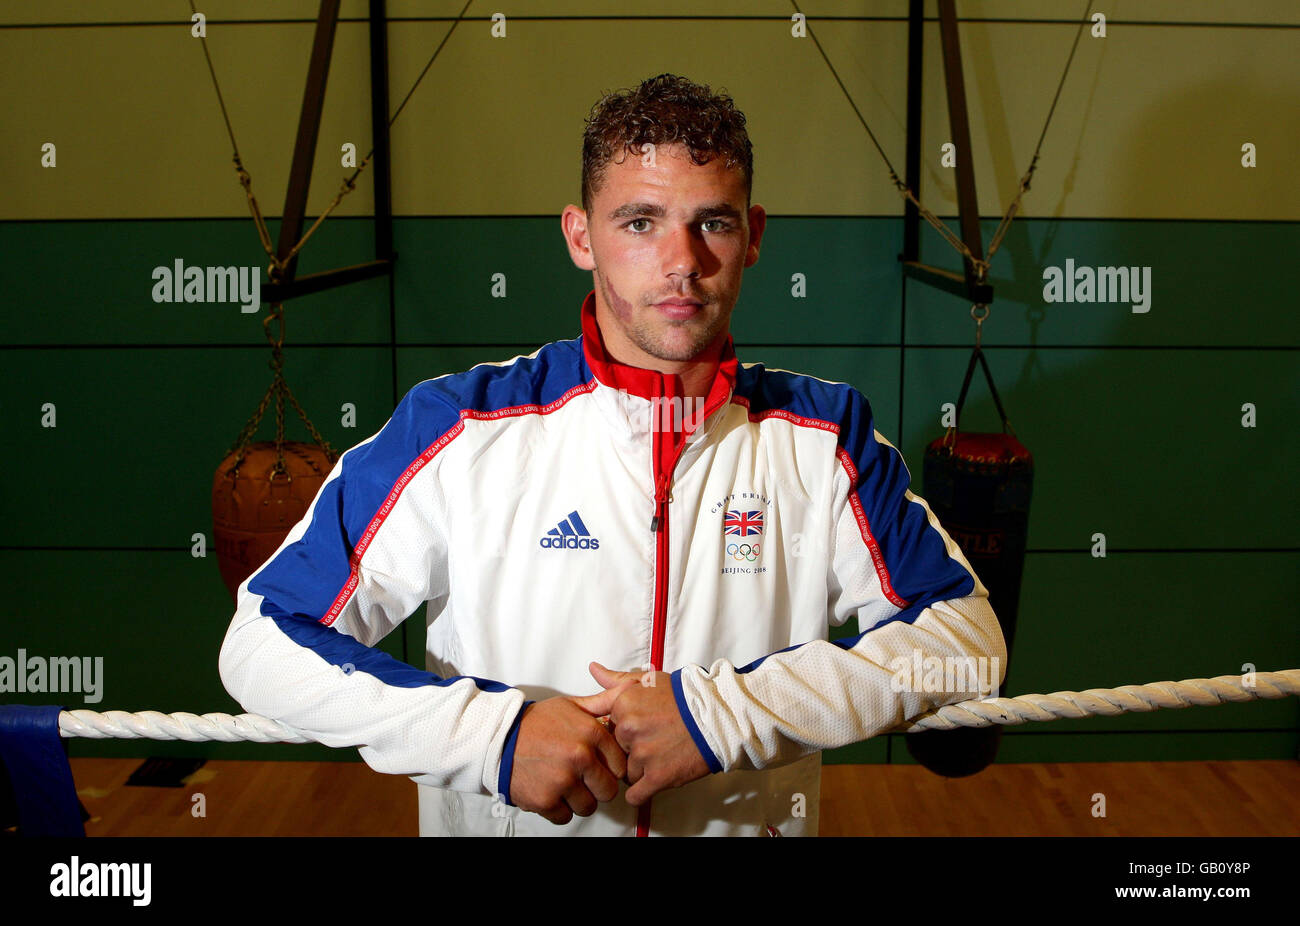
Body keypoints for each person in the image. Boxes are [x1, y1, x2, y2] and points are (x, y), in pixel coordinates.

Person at [219, 73, 1005, 837]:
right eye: (640, 222)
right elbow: (261, 643)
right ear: (580, 236)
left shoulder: (827, 437)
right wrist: (491, 737)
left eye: (714, 222)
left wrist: (721, 717)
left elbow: (966, 652)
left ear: (754, 237)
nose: (683, 261)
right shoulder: (458, 427)